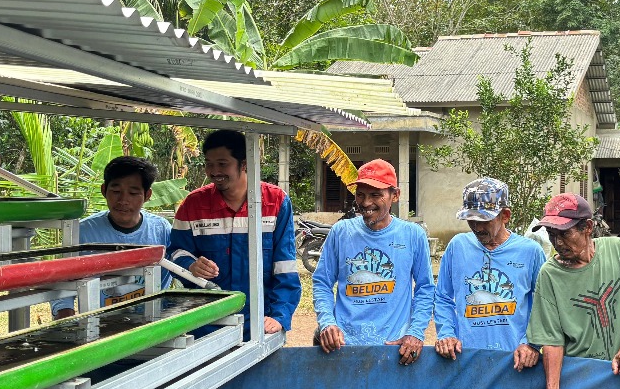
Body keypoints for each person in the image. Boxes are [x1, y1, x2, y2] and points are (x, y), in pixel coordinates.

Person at [523, 192, 620, 389]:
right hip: (575, 378)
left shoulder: (618, 250)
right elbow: (552, 341)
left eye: (564, 233)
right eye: (551, 234)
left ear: (588, 227)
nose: (557, 242)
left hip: (615, 375)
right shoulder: (549, 274)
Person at [167, 129, 301, 337]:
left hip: (260, 322)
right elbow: (175, 253)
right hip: (205, 323)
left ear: (244, 163)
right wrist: (191, 265)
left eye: (222, 164)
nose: (214, 171)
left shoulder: (276, 202)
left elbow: (285, 266)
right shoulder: (193, 204)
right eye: (209, 164)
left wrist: (279, 315)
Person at [312, 158, 434, 364]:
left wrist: (415, 332)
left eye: (375, 195)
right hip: (343, 348)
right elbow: (322, 282)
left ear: (395, 195)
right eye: (361, 194)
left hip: (394, 349)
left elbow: (425, 288)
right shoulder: (341, 232)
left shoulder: (413, 235)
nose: (366, 203)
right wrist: (327, 323)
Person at [433, 177, 546, 366]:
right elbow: (443, 297)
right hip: (465, 359)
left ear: (505, 215)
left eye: (484, 220)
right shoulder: (458, 247)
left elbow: (544, 304)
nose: (477, 227)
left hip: (515, 361)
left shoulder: (530, 252)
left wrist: (531, 344)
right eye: (471, 219)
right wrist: (446, 333)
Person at [51, 156, 170, 319]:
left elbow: (182, 268)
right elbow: (62, 285)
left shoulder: (162, 230)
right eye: (116, 191)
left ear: (147, 195)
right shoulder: (82, 232)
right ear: (104, 190)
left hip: (152, 324)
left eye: (133, 193)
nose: (123, 200)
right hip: (99, 326)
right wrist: (66, 321)